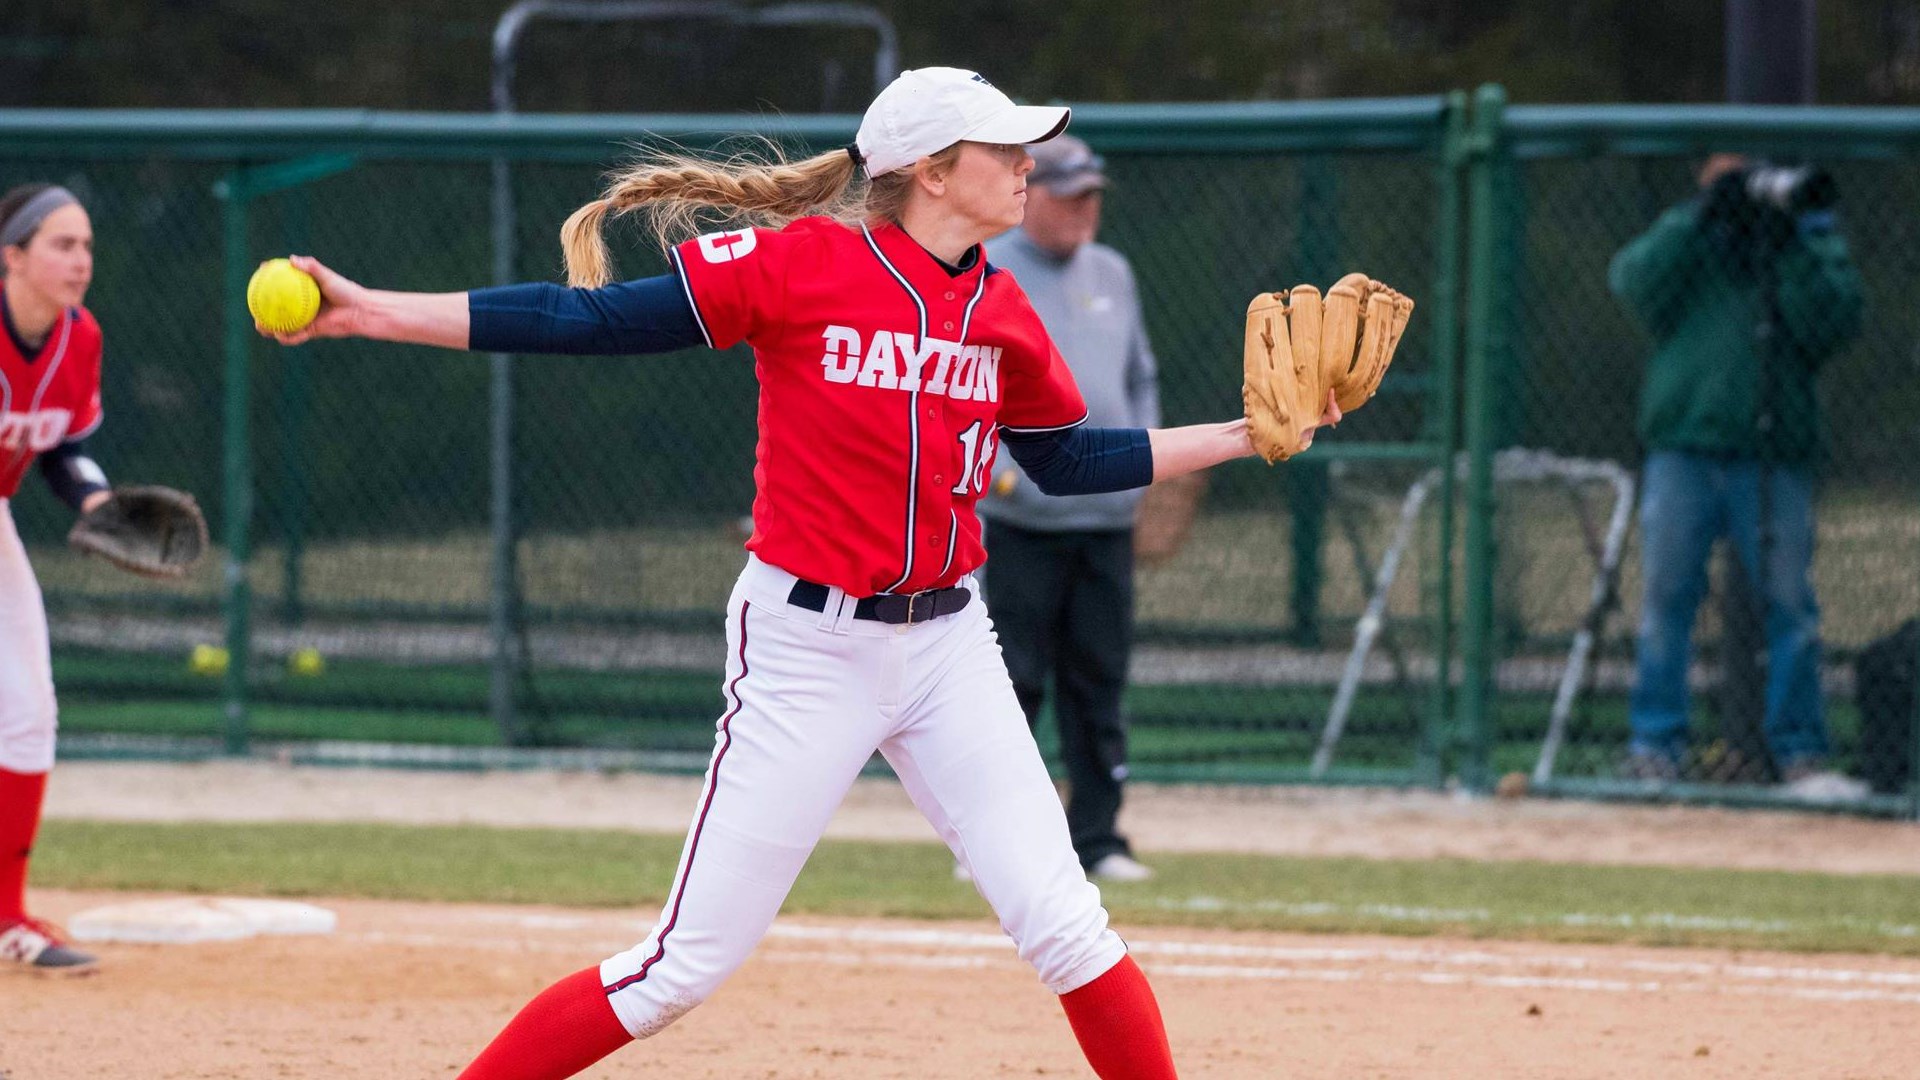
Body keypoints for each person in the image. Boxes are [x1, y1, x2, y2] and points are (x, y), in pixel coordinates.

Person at [261, 67, 1339, 1079]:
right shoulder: (803, 266)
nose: (1029, 164)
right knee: (680, 968)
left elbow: (1068, 461)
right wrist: (374, 311)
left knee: (1067, 926)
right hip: (806, 651)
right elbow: (584, 318)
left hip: (950, 646)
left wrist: (1248, 434)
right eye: (1004, 148)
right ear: (929, 171)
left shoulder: (1000, 307)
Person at [1609, 153, 1866, 799]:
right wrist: (1701, 213)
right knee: (1668, 603)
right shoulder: (1694, 237)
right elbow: (1634, 282)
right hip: (1684, 449)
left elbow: (1835, 322)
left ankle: (1801, 754)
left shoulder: (1806, 242)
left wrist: (1791, 243)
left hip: (1774, 453)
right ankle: (1655, 749)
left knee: (1791, 608)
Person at [977, 135, 1159, 883]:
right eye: (1070, 194)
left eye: (1093, 195)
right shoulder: (988, 271)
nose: (1086, 209)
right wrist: (1000, 476)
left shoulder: (1113, 270)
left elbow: (1141, 376)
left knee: (1098, 683)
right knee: (1013, 683)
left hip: (1105, 520)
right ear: (1032, 196)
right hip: (1023, 522)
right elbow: (965, 381)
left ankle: (1099, 840)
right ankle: (999, 847)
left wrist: (1141, 475)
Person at [0, 183, 115, 972]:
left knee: (31, 709)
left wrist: (100, 499)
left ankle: (8, 917)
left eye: (86, 248)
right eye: (61, 245)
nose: (79, 261)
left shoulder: (80, 338)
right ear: (12, 256)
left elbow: (61, 450)